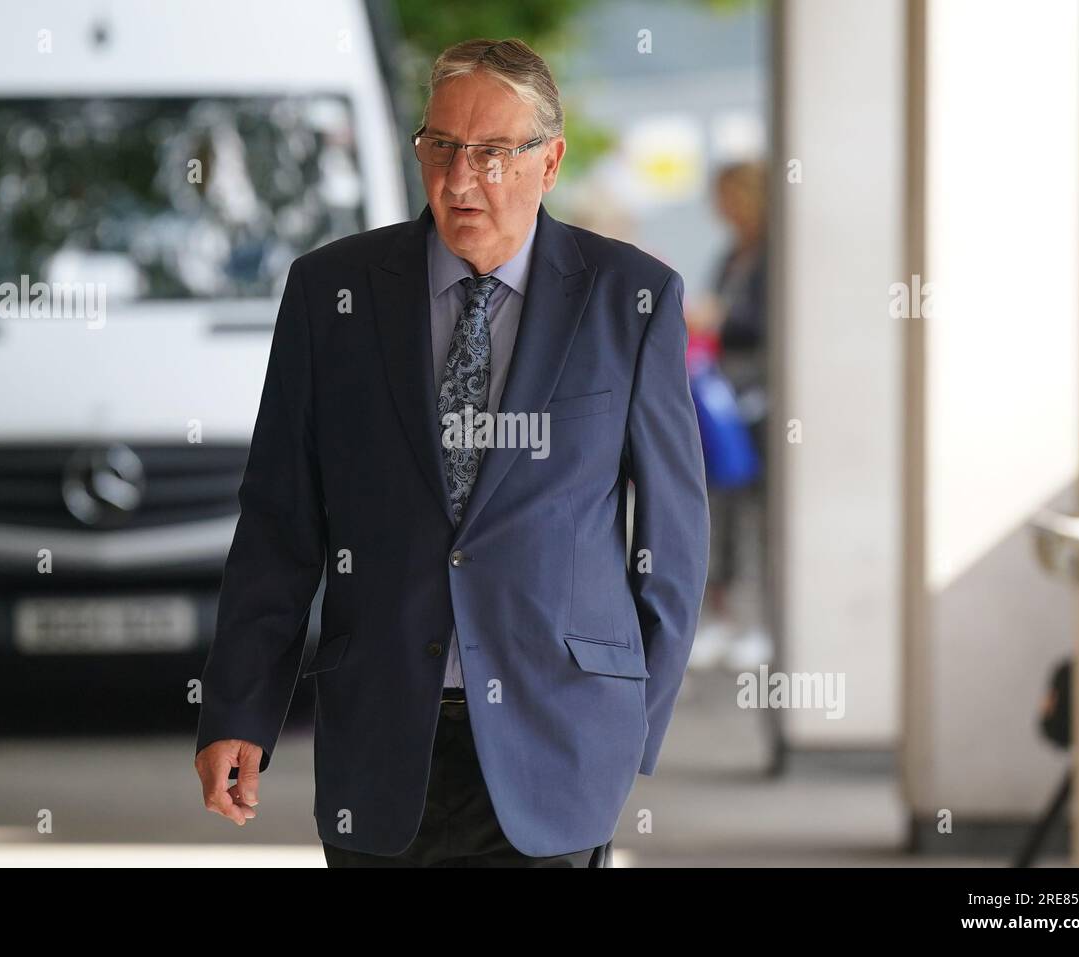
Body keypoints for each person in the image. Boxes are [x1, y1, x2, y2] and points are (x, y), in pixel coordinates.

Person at [192, 38, 709, 867]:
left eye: (495, 153)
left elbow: (673, 542)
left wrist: (629, 728)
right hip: (382, 736)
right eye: (442, 148)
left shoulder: (631, 300)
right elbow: (279, 525)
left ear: (551, 161)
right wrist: (239, 709)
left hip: (561, 743)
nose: (462, 180)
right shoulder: (333, 295)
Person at [686, 160, 771, 671]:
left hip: (759, 401)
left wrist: (719, 317)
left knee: (756, 513)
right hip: (723, 399)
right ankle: (722, 615)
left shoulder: (771, 258)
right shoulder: (732, 255)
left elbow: (763, 324)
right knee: (720, 511)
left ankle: (756, 621)